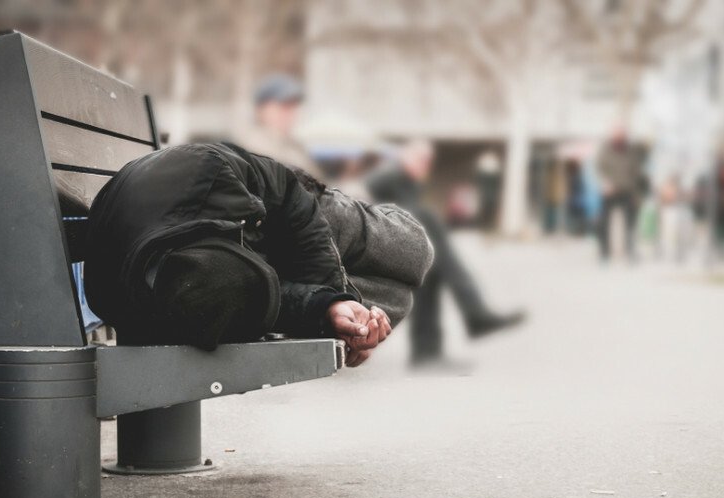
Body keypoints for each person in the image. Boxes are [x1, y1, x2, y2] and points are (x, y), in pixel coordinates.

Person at [85, 142, 433, 367]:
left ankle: (347, 300)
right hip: (194, 259)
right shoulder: (197, 299)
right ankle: (352, 313)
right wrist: (329, 313)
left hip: (275, 210)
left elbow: (285, 189)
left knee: (414, 250)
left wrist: (329, 294)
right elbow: (265, 300)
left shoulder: (208, 173)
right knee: (396, 297)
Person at [366, 140, 524, 367]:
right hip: (387, 244)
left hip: (407, 244)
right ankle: (474, 315)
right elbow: (376, 191)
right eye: (421, 160)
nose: (425, 166)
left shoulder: (408, 183)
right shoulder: (390, 176)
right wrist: (402, 165)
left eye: (427, 161)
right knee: (434, 241)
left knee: (432, 275)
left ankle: (428, 352)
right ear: (405, 157)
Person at [238, 73, 323, 177]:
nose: (290, 113)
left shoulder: (294, 147)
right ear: (261, 110)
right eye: (283, 106)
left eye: (293, 106)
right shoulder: (253, 148)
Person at [596, 127, 643, 260]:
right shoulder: (606, 149)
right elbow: (600, 167)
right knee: (603, 222)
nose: (621, 137)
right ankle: (604, 252)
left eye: (623, 134)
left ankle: (630, 251)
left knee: (631, 223)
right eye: (618, 134)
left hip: (627, 190)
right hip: (610, 191)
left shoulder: (631, 150)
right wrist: (605, 182)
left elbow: (636, 173)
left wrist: (636, 193)